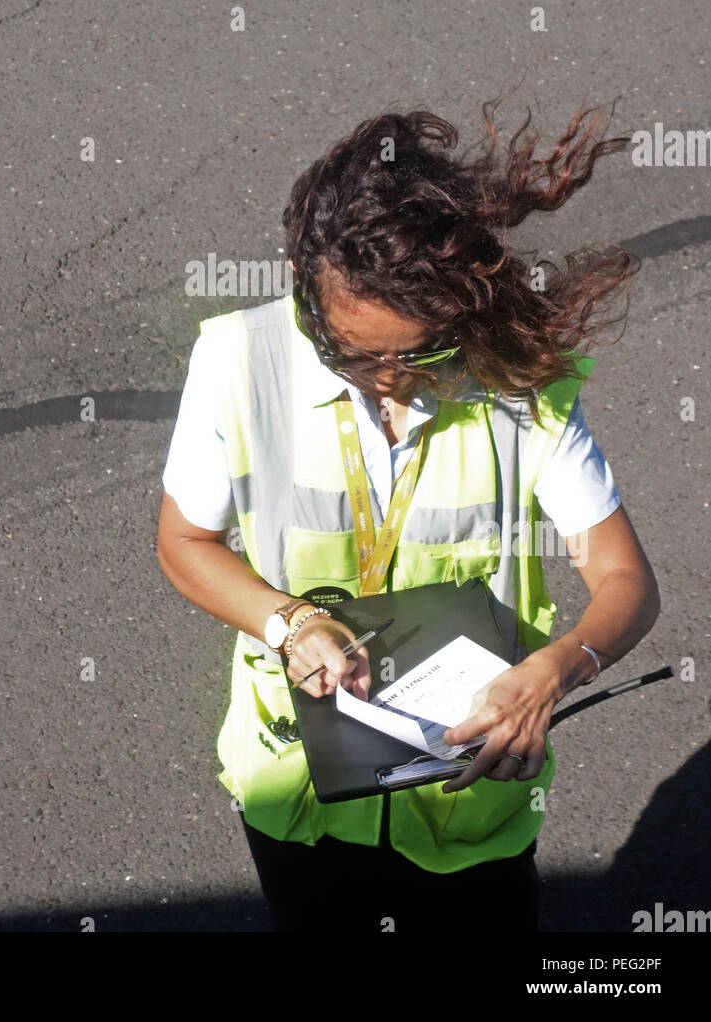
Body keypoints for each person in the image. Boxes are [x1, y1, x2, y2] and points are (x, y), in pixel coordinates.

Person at [156, 101, 660, 932]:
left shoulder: (519, 382)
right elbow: (184, 541)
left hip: (468, 789)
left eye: (421, 352)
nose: (386, 378)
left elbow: (624, 580)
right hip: (299, 776)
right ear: (306, 298)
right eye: (349, 353)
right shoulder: (236, 362)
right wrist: (288, 624)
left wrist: (558, 669)